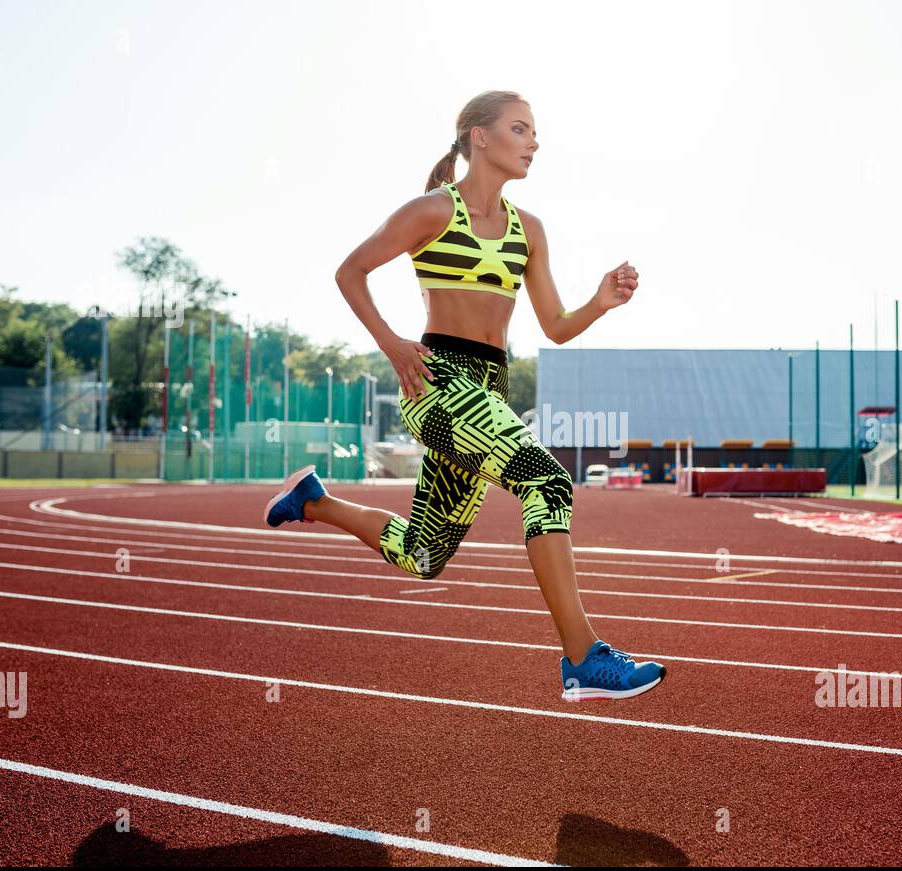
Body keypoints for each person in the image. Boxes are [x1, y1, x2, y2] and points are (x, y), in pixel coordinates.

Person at [263, 90, 666, 702]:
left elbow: (554, 325)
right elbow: (350, 271)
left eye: (534, 131)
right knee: (549, 483)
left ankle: (313, 501)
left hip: (490, 388)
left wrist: (600, 302)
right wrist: (393, 344)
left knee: (424, 557)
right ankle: (583, 656)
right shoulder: (430, 212)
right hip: (437, 382)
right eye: (520, 128)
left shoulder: (529, 230)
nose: (534, 141)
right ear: (480, 137)